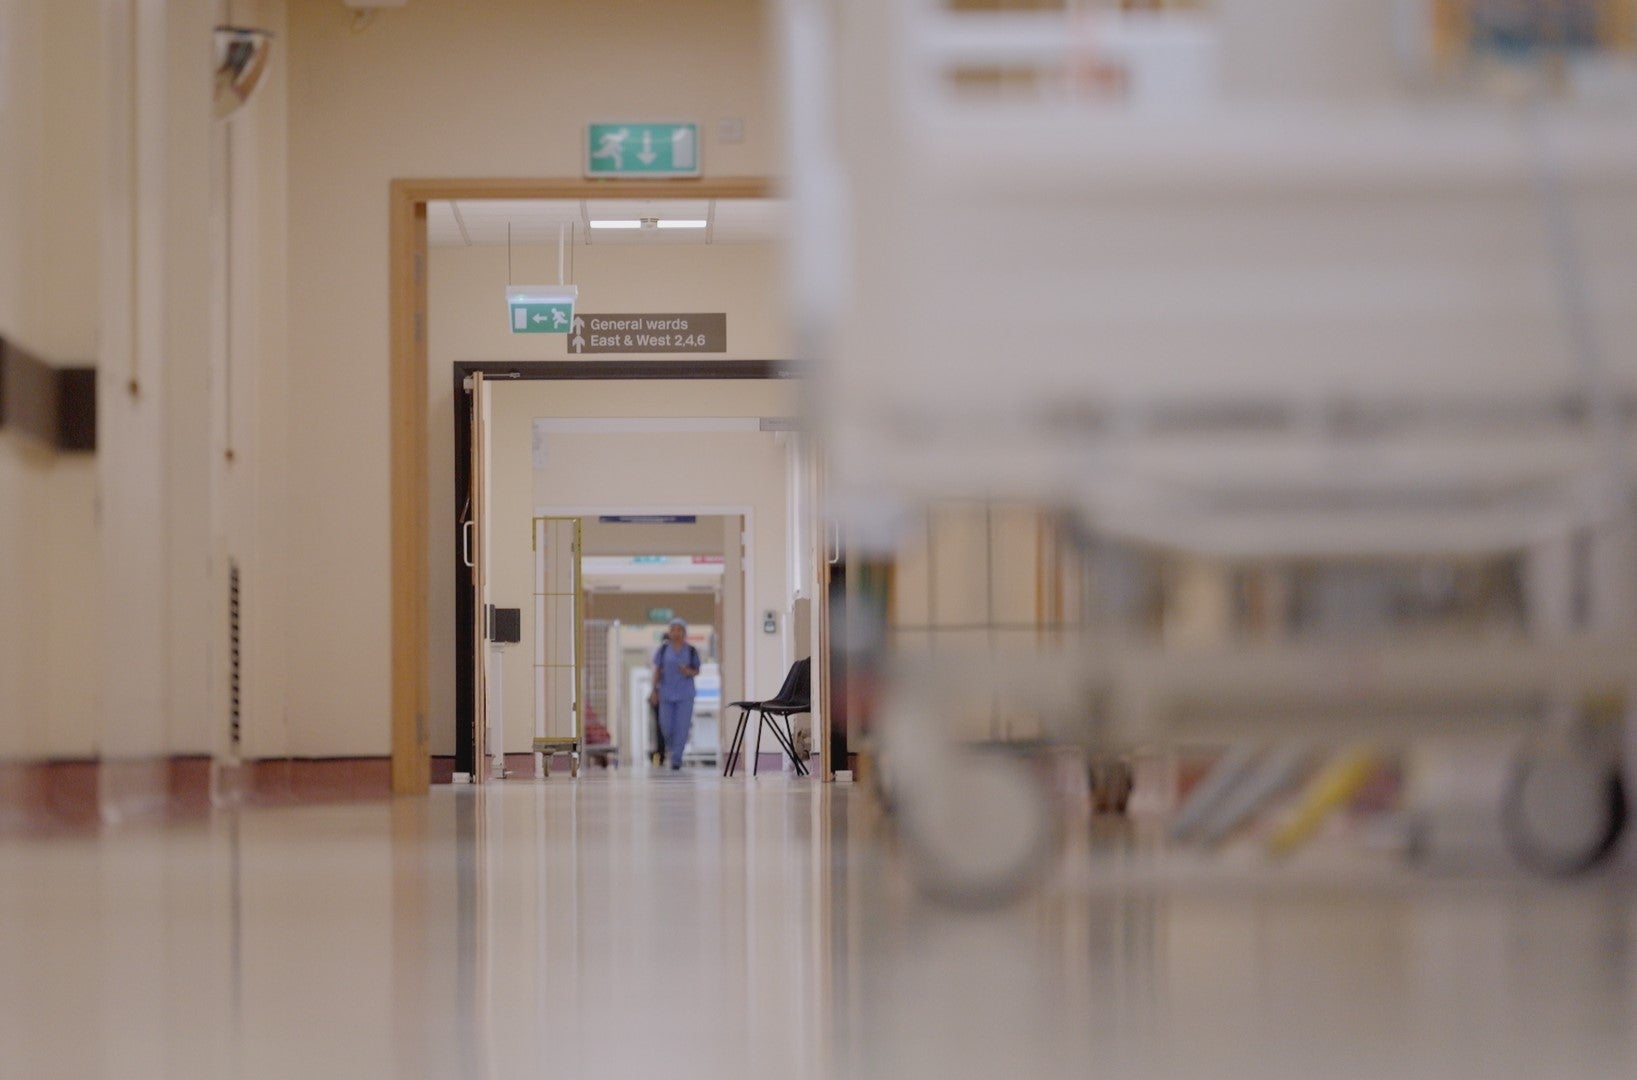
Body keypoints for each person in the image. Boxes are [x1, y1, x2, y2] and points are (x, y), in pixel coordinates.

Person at [650, 619, 700, 771]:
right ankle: (672, 750)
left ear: (684, 633)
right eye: (673, 630)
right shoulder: (663, 650)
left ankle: (677, 758)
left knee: (682, 728)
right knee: (666, 726)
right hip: (666, 694)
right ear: (670, 633)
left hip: (685, 695)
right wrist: (654, 690)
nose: (676, 633)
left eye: (679, 630)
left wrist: (688, 672)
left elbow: (697, 670)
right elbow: (657, 670)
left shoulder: (691, 650)